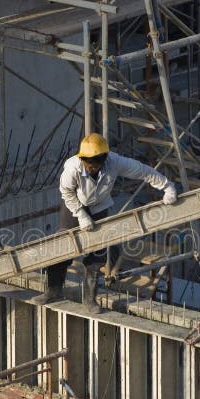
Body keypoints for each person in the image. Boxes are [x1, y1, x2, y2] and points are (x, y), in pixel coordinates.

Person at [33, 132, 178, 312]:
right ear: (81, 158)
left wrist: (167, 186)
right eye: (87, 164)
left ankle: (89, 299)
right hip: (74, 205)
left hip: (99, 207)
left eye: (94, 166)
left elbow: (143, 171)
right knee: (62, 247)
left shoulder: (114, 162)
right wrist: (80, 214)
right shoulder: (72, 167)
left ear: (104, 160)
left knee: (98, 254)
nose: (91, 168)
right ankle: (53, 291)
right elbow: (67, 193)